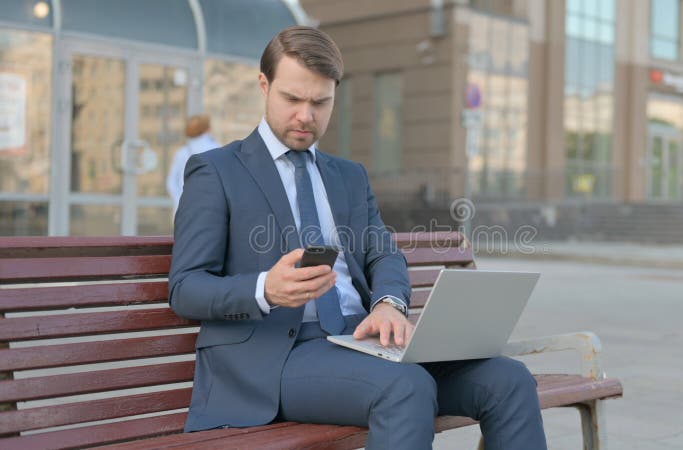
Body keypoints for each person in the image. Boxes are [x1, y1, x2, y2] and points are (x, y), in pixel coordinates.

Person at [168, 25, 547, 450]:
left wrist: (388, 304)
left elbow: (383, 256)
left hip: (360, 343)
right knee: (404, 387)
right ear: (264, 85)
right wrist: (265, 289)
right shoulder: (217, 171)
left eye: (320, 102)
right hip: (274, 362)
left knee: (509, 380)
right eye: (292, 99)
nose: (305, 116)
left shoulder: (348, 176)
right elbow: (186, 288)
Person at [166, 114, 220, 213]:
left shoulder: (182, 152)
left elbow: (171, 182)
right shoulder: (217, 149)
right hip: (210, 210)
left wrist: (180, 202)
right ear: (208, 129)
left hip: (184, 211)